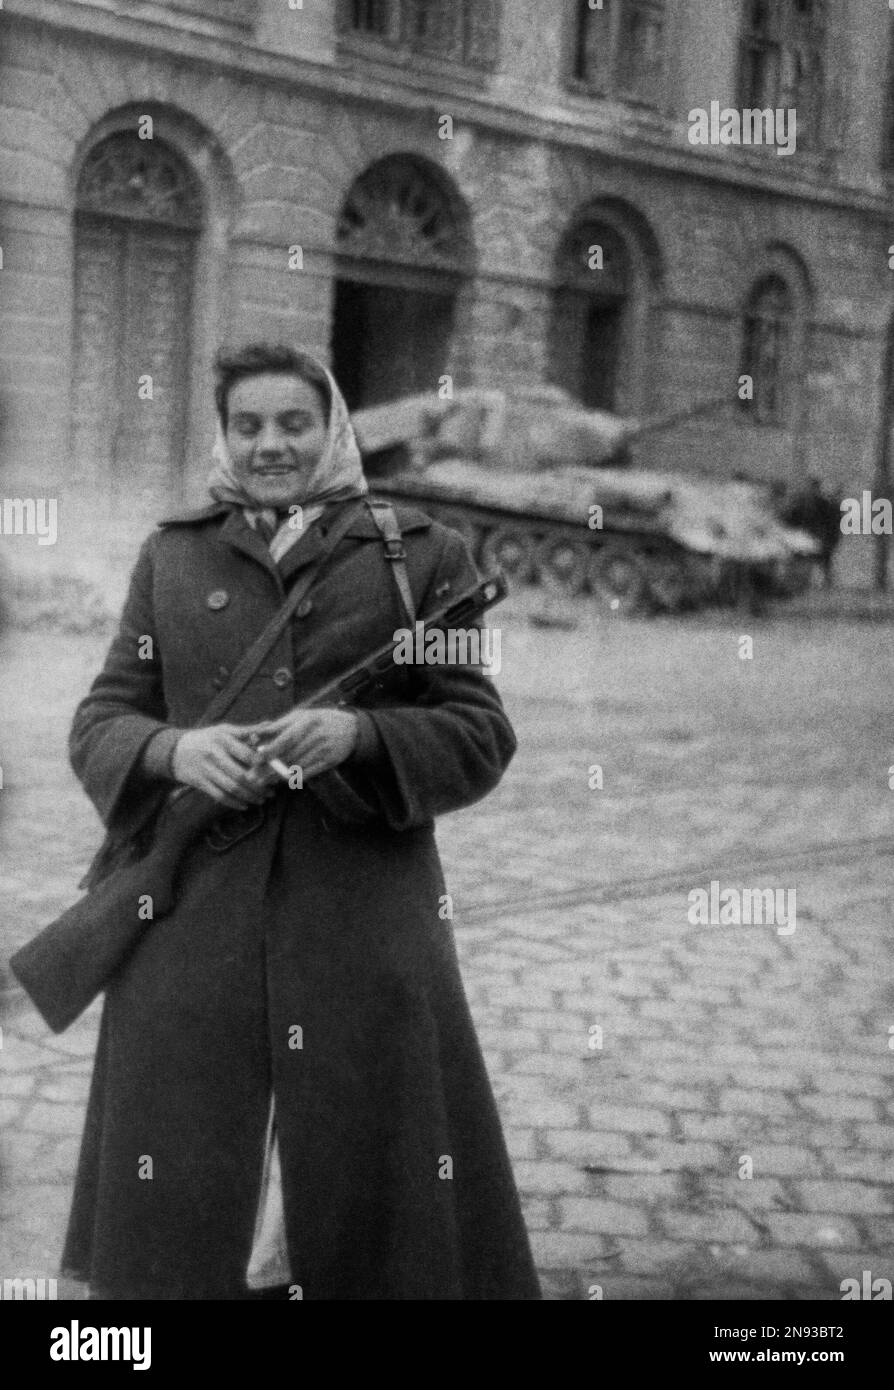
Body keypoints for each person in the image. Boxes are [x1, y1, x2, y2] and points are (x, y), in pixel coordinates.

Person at [61, 343, 541, 1301]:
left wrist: (358, 735)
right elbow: (103, 717)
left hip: (361, 909)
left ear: (333, 430)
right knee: (186, 1166)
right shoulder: (172, 553)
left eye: (293, 423)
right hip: (194, 913)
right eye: (249, 426)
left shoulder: (425, 555)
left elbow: (480, 733)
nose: (271, 444)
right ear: (224, 437)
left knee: (367, 1152)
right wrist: (174, 752)